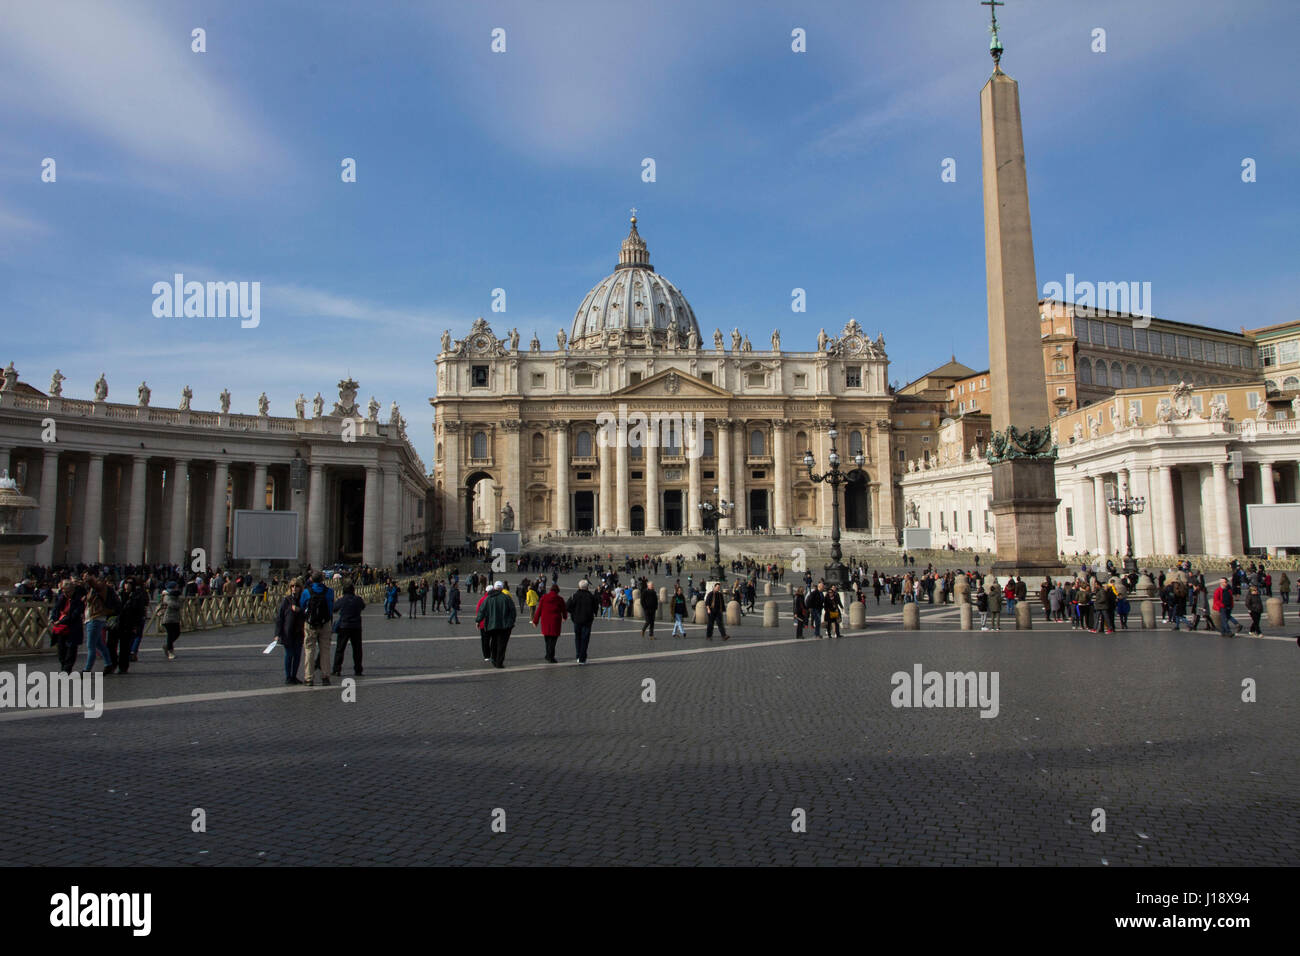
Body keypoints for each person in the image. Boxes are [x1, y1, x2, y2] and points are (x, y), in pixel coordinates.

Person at [299, 571, 335, 685]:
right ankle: (325, 677)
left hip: (310, 624)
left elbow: (302, 606)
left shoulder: (306, 592)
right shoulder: (329, 591)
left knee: (309, 650)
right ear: (323, 579)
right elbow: (331, 607)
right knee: (325, 650)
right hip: (325, 623)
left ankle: (309, 678)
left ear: (311, 579)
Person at [477, 581, 518, 668]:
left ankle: (494, 659)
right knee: (502, 645)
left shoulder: (488, 598)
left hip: (492, 625)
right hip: (505, 626)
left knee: (494, 643)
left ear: (494, 588)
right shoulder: (507, 598)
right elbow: (513, 612)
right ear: (502, 588)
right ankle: (499, 662)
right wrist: (511, 622)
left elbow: (482, 610)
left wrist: (478, 621)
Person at [81, 574, 117, 673]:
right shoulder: (95, 590)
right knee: (99, 644)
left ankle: (87, 669)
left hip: (96, 619)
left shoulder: (101, 588)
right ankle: (108, 664)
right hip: (92, 618)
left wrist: (89, 579)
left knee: (90, 646)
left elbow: (95, 586)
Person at [51, 579, 85, 674]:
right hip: (61, 629)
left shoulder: (78, 600)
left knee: (71, 651)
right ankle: (63, 668)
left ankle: (66, 670)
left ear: (73, 590)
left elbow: (75, 614)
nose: (65, 593)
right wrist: (53, 619)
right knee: (61, 651)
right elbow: (55, 610)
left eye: (67, 591)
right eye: (64, 591)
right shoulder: (61, 598)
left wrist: (60, 621)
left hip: (72, 628)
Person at [275, 579, 306, 685]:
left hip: (299, 631)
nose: (294, 588)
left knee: (297, 655)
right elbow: (280, 618)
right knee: (289, 654)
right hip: (287, 632)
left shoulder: (303, 600)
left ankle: (294, 676)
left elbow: (308, 613)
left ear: (300, 588)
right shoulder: (286, 600)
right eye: (292, 586)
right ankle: (288, 677)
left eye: (296, 586)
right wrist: (277, 634)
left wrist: (299, 610)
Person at [332, 583, 366, 676]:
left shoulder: (342, 599)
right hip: (356, 627)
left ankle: (337, 669)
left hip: (344, 626)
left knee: (340, 649)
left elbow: (334, 608)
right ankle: (358, 669)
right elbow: (363, 606)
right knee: (357, 649)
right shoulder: (358, 599)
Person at [532, 583, 567, 663]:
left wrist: (535, 621)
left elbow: (539, 610)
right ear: (558, 591)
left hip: (545, 621)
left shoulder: (544, 597)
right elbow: (564, 610)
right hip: (555, 622)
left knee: (547, 640)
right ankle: (551, 657)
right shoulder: (559, 599)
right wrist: (564, 617)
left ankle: (548, 655)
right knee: (553, 640)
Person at [566, 580, 598, 664]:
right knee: (585, 639)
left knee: (578, 638)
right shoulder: (590, 596)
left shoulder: (574, 596)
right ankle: (582, 657)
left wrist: (573, 613)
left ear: (579, 587)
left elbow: (567, 606)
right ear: (587, 587)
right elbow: (595, 607)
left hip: (576, 620)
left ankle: (578, 655)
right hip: (587, 620)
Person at [160, 581, 183, 660]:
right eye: (176, 587)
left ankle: (167, 646)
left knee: (177, 633)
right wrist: (178, 599)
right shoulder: (167, 596)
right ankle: (170, 651)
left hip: (175, 618)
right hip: (167, 618)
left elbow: (180, 605)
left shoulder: (177, 596)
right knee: (170, 635)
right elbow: (174, 605)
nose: (178, 588)